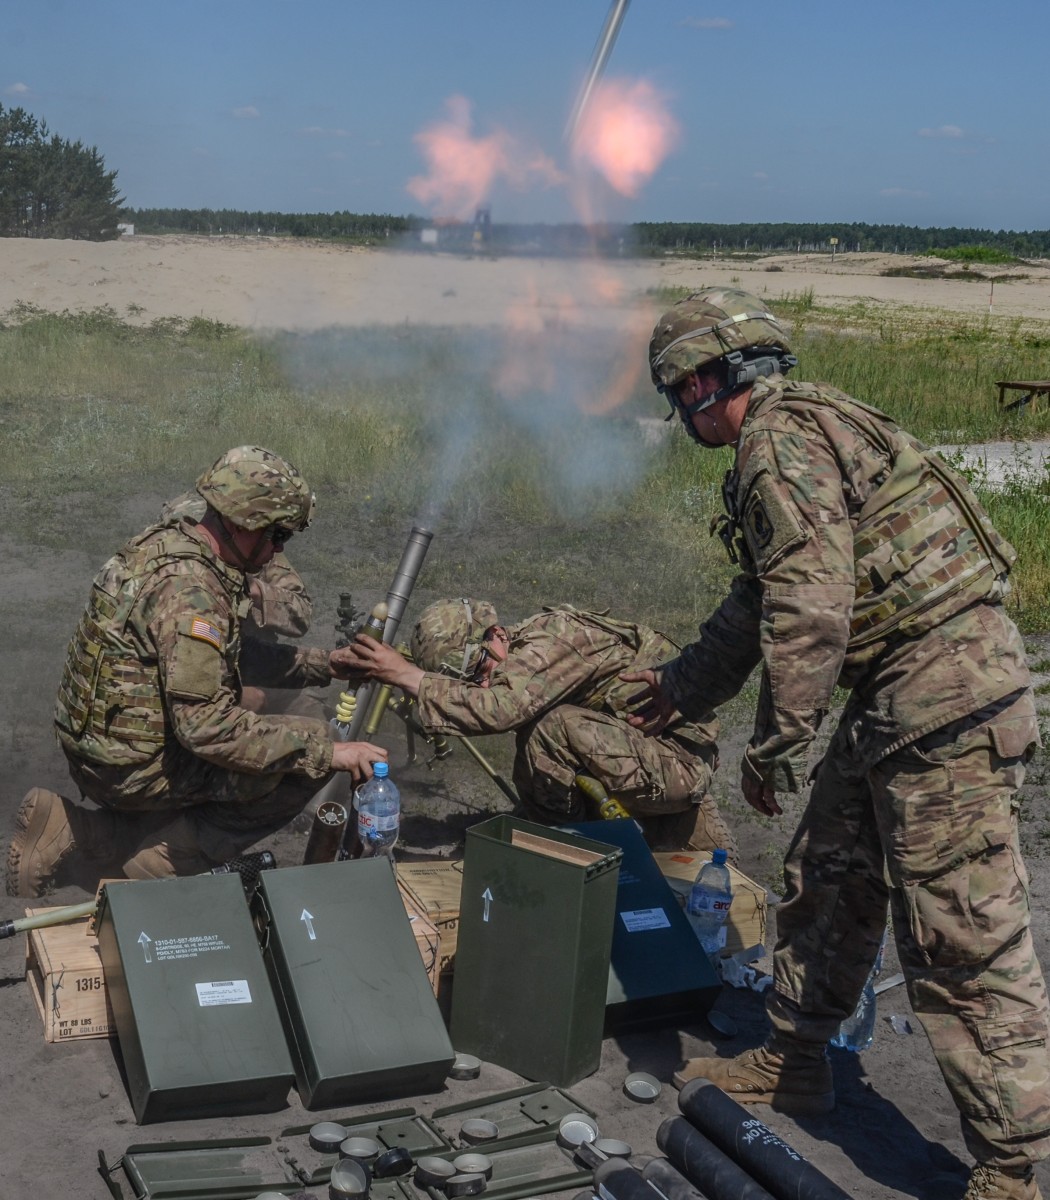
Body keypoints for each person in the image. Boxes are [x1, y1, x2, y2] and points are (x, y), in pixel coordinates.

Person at [623, 288, 1049, 1200]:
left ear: (701, 384)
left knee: (960, 933)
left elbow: (810, 604)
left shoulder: (778, 443)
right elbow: (758, 595)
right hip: (902, 692)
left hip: (945, 693)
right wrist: (682, 685)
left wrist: (778, 743)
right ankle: (796, 1058)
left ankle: (1010, 1167)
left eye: (679, 395)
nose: (683, 414)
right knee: (831, 869)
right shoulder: (802, 427)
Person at [6, 445, 385, 897]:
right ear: (243, 523)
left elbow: (226, 656)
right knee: (304, 756)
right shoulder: (193, 593)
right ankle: (152, 865)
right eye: (277, 534)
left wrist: (324, 664)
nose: (279, 550)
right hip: (127, 770)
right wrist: (328, 752)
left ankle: (76, 831)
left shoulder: (168, 546)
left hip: (103, 749)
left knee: (280, 736)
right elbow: (207, 727)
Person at [344, 597, 732, 855]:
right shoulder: (519, 654)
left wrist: (405, 675)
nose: (481, 685)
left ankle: (569, 852)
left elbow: (501, 711)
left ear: (498, 635)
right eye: (469, 682)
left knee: (549, 728)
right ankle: (569, 832)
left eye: (479, 670)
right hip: (640, 755)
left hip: (677, 764)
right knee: (542, 733)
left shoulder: (552, 641)